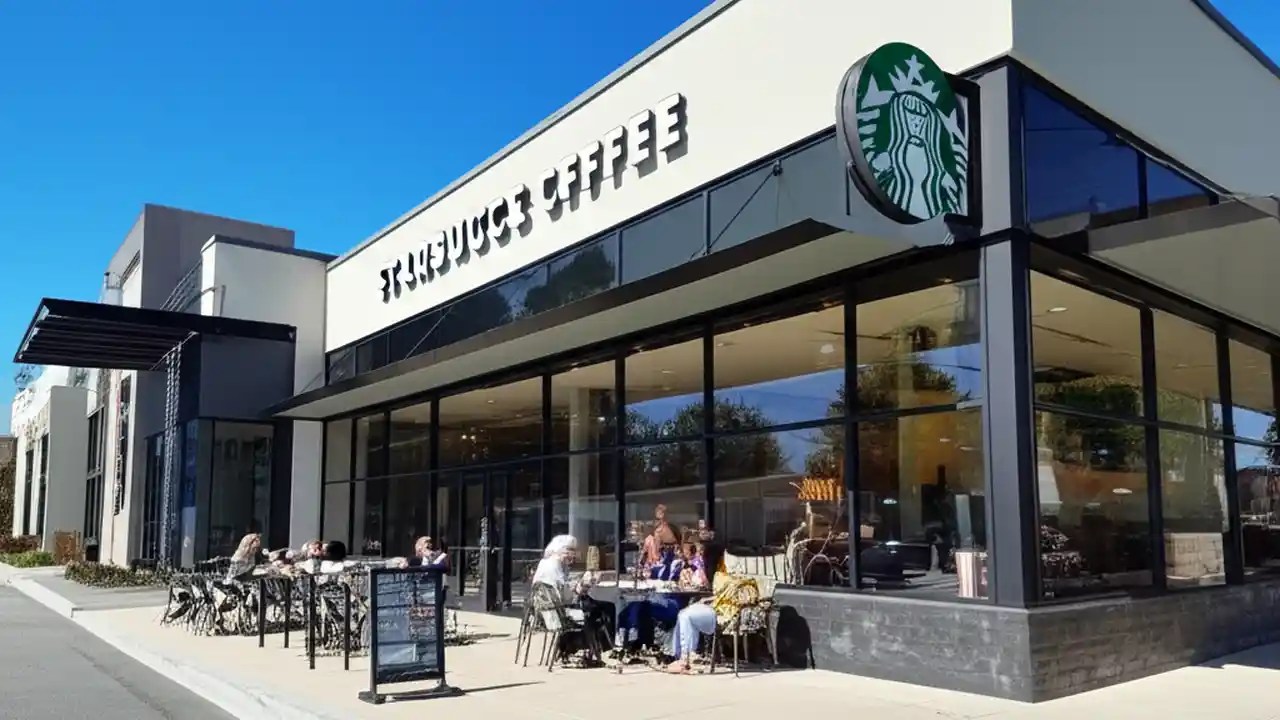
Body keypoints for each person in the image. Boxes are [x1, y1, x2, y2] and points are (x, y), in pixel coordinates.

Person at [532, 535, 615, 661]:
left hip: (544, 610)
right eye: (569, 551)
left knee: (595, 608)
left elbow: (560, 589)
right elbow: (566, 597)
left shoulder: (545, 563)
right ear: (559, 550)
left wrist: (575, 586)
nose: (572, 555)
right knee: (604, 609)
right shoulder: (555, 566)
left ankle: (579, 646)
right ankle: (597, 646)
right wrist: (580, 586)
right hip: (557, 613)